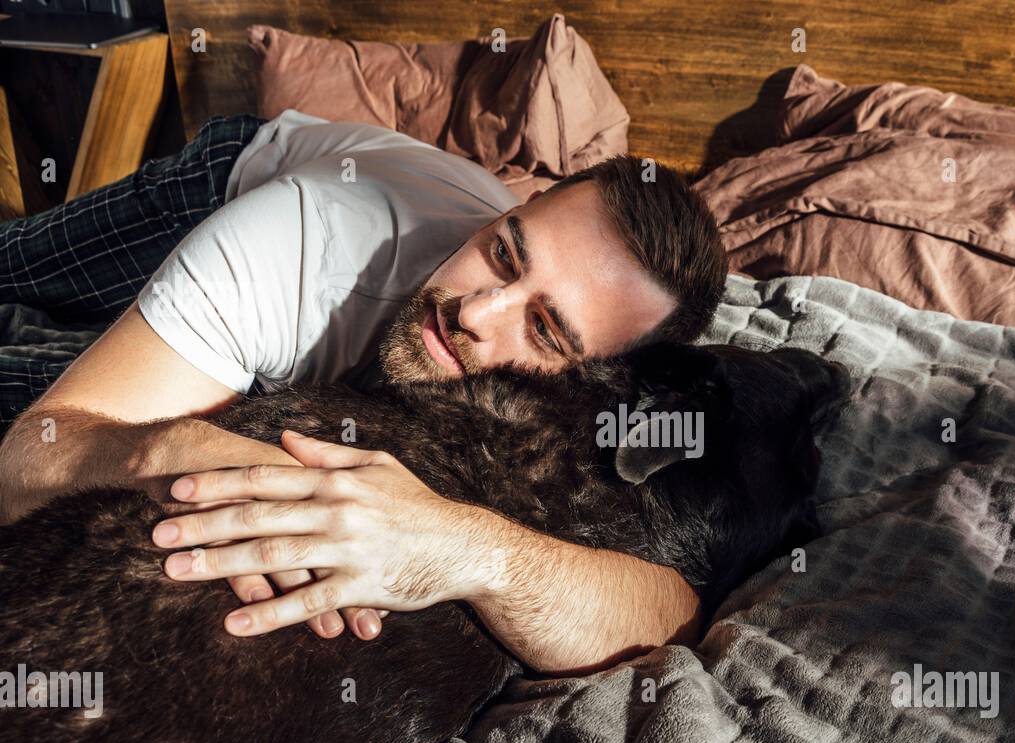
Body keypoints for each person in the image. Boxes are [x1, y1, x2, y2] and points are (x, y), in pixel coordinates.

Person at [0, 111, 729, 674]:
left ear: (597, 382)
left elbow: (673, 614)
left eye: (544, 330)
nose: (474, 313)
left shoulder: (594, 420)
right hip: (228, 181)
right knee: (17, 265)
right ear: (524, 201)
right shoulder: (296, 246)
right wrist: (168, 447)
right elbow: (25, 459)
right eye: (502, 253)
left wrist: (473, 550)